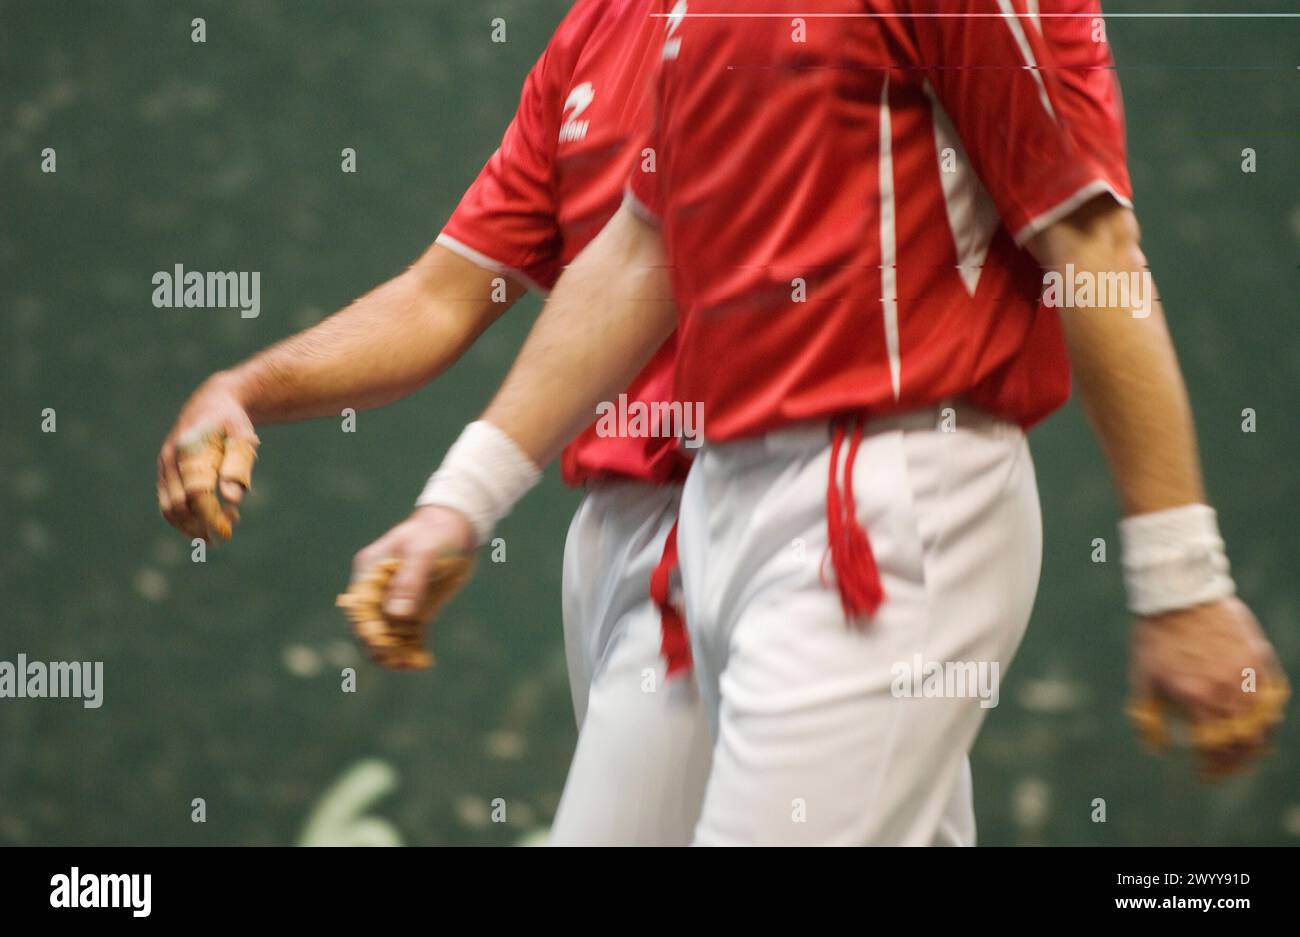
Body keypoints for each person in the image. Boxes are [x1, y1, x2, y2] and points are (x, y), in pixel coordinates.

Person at [389, 0, 1289, 844]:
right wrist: (465, 497)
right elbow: (642, 246)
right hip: (719, 508)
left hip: (886, 508)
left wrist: (1181, 578)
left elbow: (1091, 244)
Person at [157, 0, 712, 847]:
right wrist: (243, 388)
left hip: (752, 508)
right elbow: (440, 297)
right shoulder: (595, 32)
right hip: (618, 529)